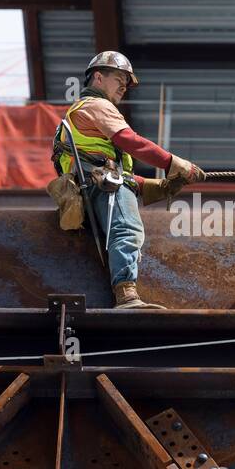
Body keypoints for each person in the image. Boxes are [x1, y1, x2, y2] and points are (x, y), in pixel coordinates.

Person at [49, 51, 203, 309]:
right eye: (119, 78)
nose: (124, 86)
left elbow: (111, 169)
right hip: (104, 187)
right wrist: (172, 162)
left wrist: (157, 187)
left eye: (127, 82)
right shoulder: (96, 106)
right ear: (98, 77)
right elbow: (130, 142)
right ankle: (126, 294)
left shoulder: (81, 112)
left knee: (123, 227)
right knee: (127, 229)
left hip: (94, 186)